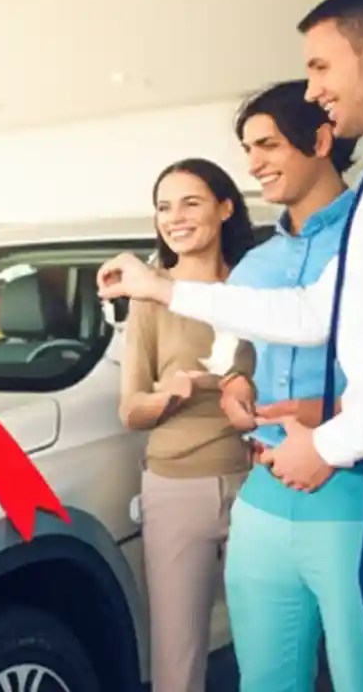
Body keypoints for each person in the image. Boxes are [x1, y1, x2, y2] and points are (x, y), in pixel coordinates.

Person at [96, 0, 363, 691]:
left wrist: (329, 444)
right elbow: (315, 312)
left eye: (319, 66)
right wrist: (159, 287)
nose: (313, 89)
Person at [217, 80, 363, 692]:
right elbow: (238, 347)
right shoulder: (255, 264)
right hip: (262, 497)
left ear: (321, 140)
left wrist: (329, 410)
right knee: (264, 681)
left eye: (268, 145)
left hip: (357, 495)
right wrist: (235, 379)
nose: (253, 164)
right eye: (248, 149)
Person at [119, 158, 256, 692]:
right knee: (178, 662)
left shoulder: (256, 287)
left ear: (225, 208)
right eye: (164, 207)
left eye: (190, 202)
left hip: (261, 483)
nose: (175, 217)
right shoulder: (150, 299)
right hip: (177, 488)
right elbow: (130, 410)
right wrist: (171, 395)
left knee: (273, 650)